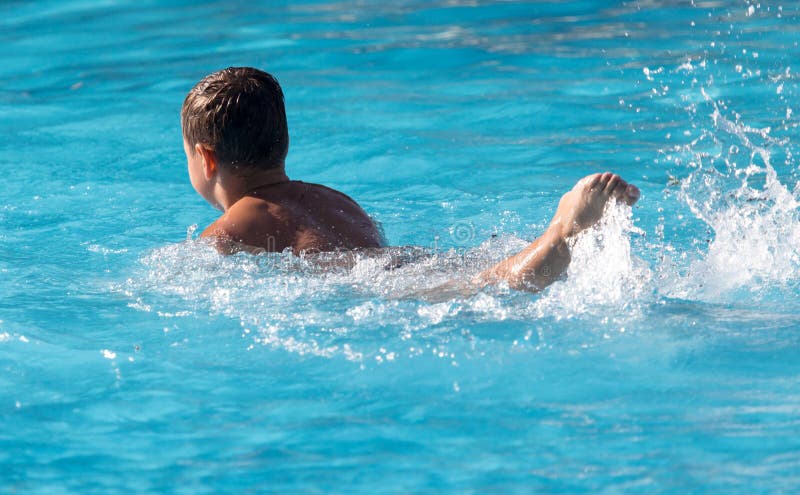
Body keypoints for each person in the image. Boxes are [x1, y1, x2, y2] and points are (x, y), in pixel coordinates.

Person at [181, 67, 639, 292]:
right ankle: (562, 237)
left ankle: (560, 232)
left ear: (206, 159)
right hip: (398, 261)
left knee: (490, 287)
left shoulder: (228, 229)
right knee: (475, 275)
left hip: (377, 286)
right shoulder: (335, 199)